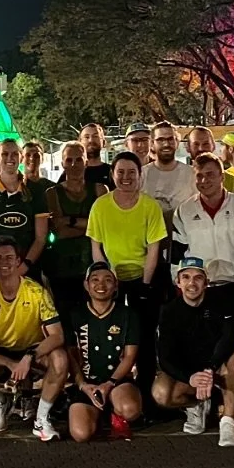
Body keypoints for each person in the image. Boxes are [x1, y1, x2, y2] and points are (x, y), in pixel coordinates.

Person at [0, 239, 68, 434]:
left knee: (60, 359)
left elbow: (57, 336)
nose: (4, 262)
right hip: (2, 351)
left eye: (9, 257)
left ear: (19, 261)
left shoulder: (36, 292)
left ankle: (41, 419)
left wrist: (29, 356)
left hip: (34, 349)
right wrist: (9, 363)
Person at [86, 152, 167, 389]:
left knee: (145, 334)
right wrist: (106, 280)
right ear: (112, 175)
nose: (126, 177)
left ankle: (145, 389)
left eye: (132, 172)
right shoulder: (100, 207)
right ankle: (108, 385)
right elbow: (96, 248)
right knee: (111, 333)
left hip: (144, 277)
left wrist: (145, 284)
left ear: (140, 176)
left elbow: (154, 250)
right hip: (112, 279)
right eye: (120, 172)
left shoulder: (150, 207)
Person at [154, 257, 234, 446]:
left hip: (215, 364)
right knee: (161, 394)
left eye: (198, 278)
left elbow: (229, 339)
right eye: (186, 277)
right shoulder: (168, 311)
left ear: (206, 282)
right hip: (190, 371)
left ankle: (228, 421)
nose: (191, 283)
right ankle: (197, 404)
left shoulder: (222, 302)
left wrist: (210, 368)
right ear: (178, 282)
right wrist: (190, 378)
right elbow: (165, 356)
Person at [51, 260, 141, 442]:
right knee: (80, 434)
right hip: (88, 384)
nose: (101, 285)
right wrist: (82, 385)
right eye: (95, 279)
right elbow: (72, 356)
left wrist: (109, 383)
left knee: (130, 409)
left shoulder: (127, 314)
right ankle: (97, 414)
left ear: (116, 285)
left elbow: (129, 356)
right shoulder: (75, 314)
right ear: (86, 285)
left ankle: (115, 412)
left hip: (116, 381)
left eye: (108, 280)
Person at [169, 153, 234, 315]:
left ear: (222, 176)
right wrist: (181, 290)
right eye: (199, 176)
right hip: (199, 288)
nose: (204, 181)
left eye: (210, 174)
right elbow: (177, 256)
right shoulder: (183, 211)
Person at [45, 140, 113, 319]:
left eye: (78, 159)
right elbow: (59, 230)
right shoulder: (52, 193)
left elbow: (105, 226)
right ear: (62, 164)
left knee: (96, 316)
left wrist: (70, 220)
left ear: (86, 162)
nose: (74, 165)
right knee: (65, 318)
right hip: (61, 268)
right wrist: (91, 227)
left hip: (93, 265)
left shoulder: (100, 189)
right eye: (69, 160)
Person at [0, 138, 48, 283]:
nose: (10, 158)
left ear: (21, 157)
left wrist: (22, 268)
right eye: (5, 154)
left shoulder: (36, 190)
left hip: (28, 268)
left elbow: (40, 238)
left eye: (14, 154)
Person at [140, 123, 195, 226]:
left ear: (177, 142)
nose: (166, 144)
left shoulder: (192, 174)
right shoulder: (141, 175)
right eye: (160, 140)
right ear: (152, 144)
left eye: (170, 139)